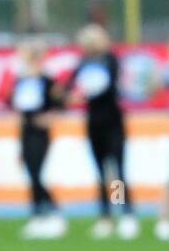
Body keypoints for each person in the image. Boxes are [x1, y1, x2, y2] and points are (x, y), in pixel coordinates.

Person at [64, 25, 137, 239]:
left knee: (117, 170)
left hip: (113, 121)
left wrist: (83, 94)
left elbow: (105, 86)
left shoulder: (110, 60)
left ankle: (125, 213)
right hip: (94, 122)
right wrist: (70, 96)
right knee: (100, 171)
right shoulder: (82, 63)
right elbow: (70, 88)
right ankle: (105, 216)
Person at [10, 38, 66, 239]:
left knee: (37, 173)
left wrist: (50, 118)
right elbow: (17, 108)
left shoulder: (46, 80)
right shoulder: (21, 80)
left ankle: (52, 211)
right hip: (26, 130)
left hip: (40, 132)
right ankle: (38, 214)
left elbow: (60, 103)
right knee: (30, 172)